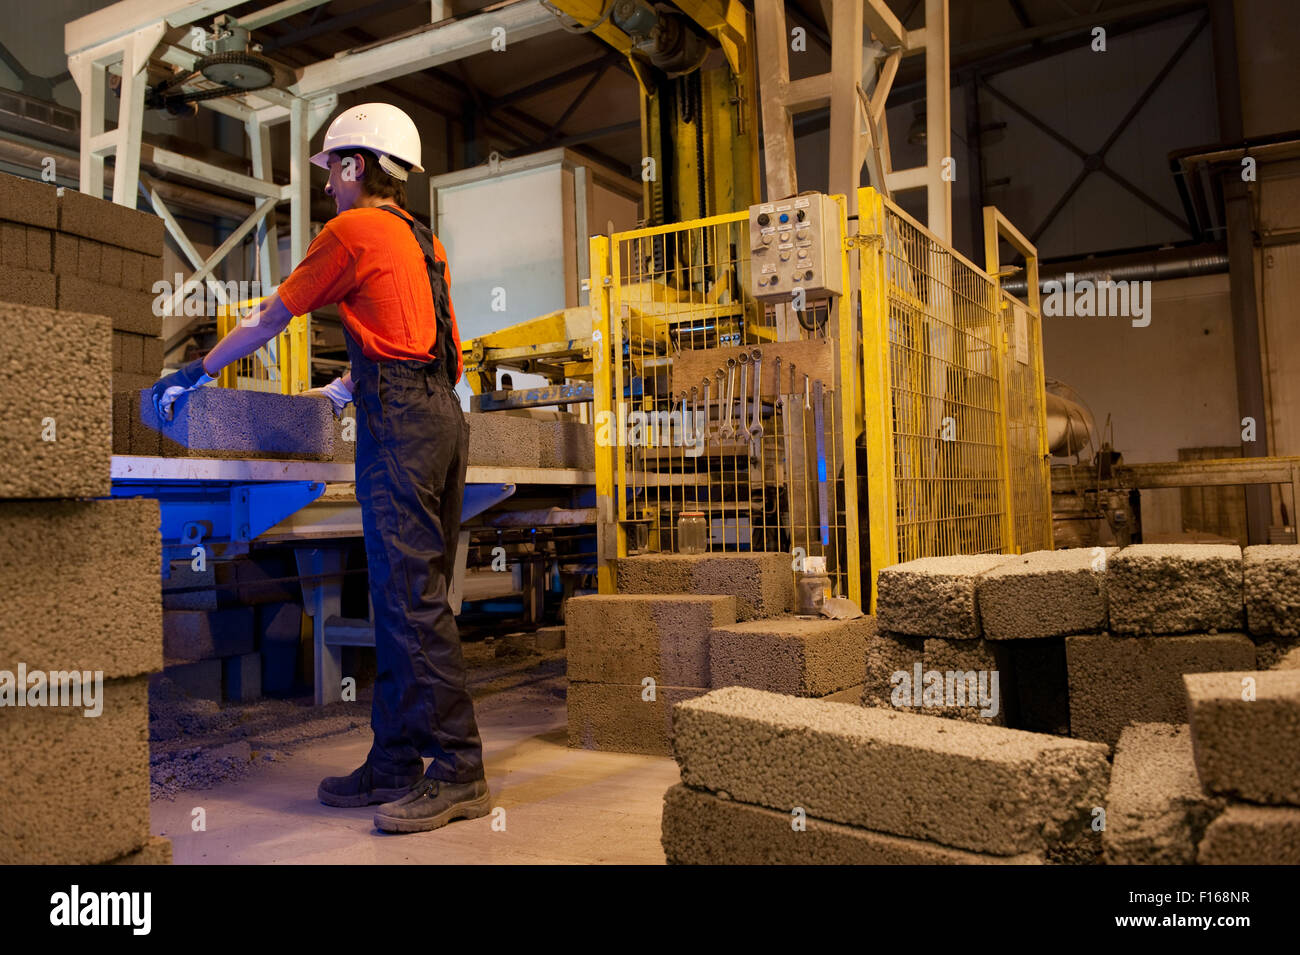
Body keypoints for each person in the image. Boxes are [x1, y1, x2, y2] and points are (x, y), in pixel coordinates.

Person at [152, 102, 489, 835]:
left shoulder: (352, 229)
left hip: (400, 426)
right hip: (438, 417)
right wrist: (342, 389)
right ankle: (396, 759)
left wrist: (197, 371)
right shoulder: (420, 239)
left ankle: (459, 767)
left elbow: (275, 313)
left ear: (355, 165)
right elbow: (431, 348)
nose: (327, 185)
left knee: (409, 601)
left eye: (332, 169)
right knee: (407, 596)